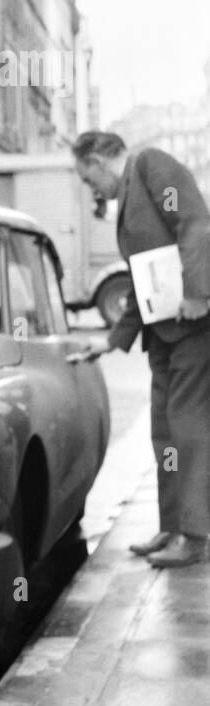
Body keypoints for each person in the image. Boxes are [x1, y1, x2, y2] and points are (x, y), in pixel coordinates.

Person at [74, 130, 210, 567]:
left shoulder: (150, 165)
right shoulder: (131, 191)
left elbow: (193, 221)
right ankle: (172, 525)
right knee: (165, 432)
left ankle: (194, 534)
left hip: (191, 325)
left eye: (87, 177)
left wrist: (197, 291)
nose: (91, 188)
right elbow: (140, 279)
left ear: (97, 160)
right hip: (164, 333)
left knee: (188, 428)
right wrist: (111, 342)